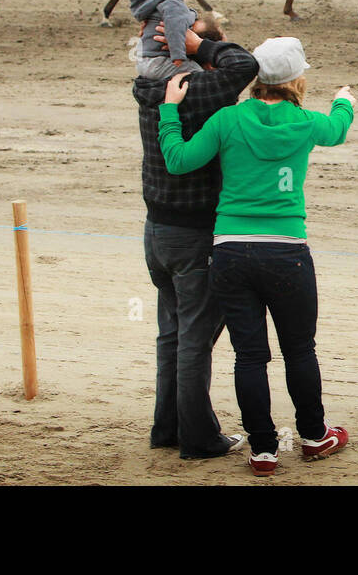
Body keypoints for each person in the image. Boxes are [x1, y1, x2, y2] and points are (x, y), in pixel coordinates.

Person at [158, 37, 355, 477]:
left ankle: (262, 450)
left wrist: (169, 111)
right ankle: (313, 435)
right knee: (300, 349)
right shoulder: (306, 122)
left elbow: (178, 159)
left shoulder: (228, 119)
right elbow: (338, 129)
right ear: (296, 80)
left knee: (250, 355)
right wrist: (344, 100)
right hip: (287, 252)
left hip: (230, 251)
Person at [132, 25, 258, 460]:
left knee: (171, 335)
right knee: (194, 340)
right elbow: (245, 64)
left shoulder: (148, 86)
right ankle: (199, 439)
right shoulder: (204, 90)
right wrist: (200, 44)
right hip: (196, 234)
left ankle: (167, 428)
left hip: (156, 231)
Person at [129, 0, 205, 78]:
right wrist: (178, 54)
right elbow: (174, 30)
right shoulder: (174, 6)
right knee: (198, 73)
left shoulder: (156, 2)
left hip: (143, 58)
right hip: (159, 60)